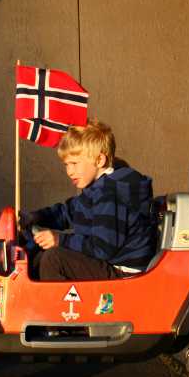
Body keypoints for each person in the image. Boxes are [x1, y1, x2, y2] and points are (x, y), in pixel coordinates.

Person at [21, 120, 156, 281]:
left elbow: (103, 247)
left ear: (99, 161)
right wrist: (36, 217)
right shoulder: (96, 188)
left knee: (54, 260)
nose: (69, 171)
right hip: (108, 262)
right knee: (37, 255)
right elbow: (68, 212)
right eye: (66, 164)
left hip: (122, 271)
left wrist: (60, 239)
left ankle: (59, 298)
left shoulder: (109, 193)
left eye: (74, 163)